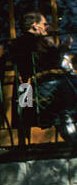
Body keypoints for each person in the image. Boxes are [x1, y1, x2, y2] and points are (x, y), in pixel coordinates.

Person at [10, 11, 77, 141]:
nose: (47, 27)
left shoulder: (17, 43)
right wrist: (62, 48)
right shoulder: (36, 42)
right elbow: (52, 63)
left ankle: (68, 125)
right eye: (44, 24)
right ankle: (70, 128)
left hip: (24, 89)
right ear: (35, 25)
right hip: (42, 88)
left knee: (68, 85)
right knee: (69, 85)